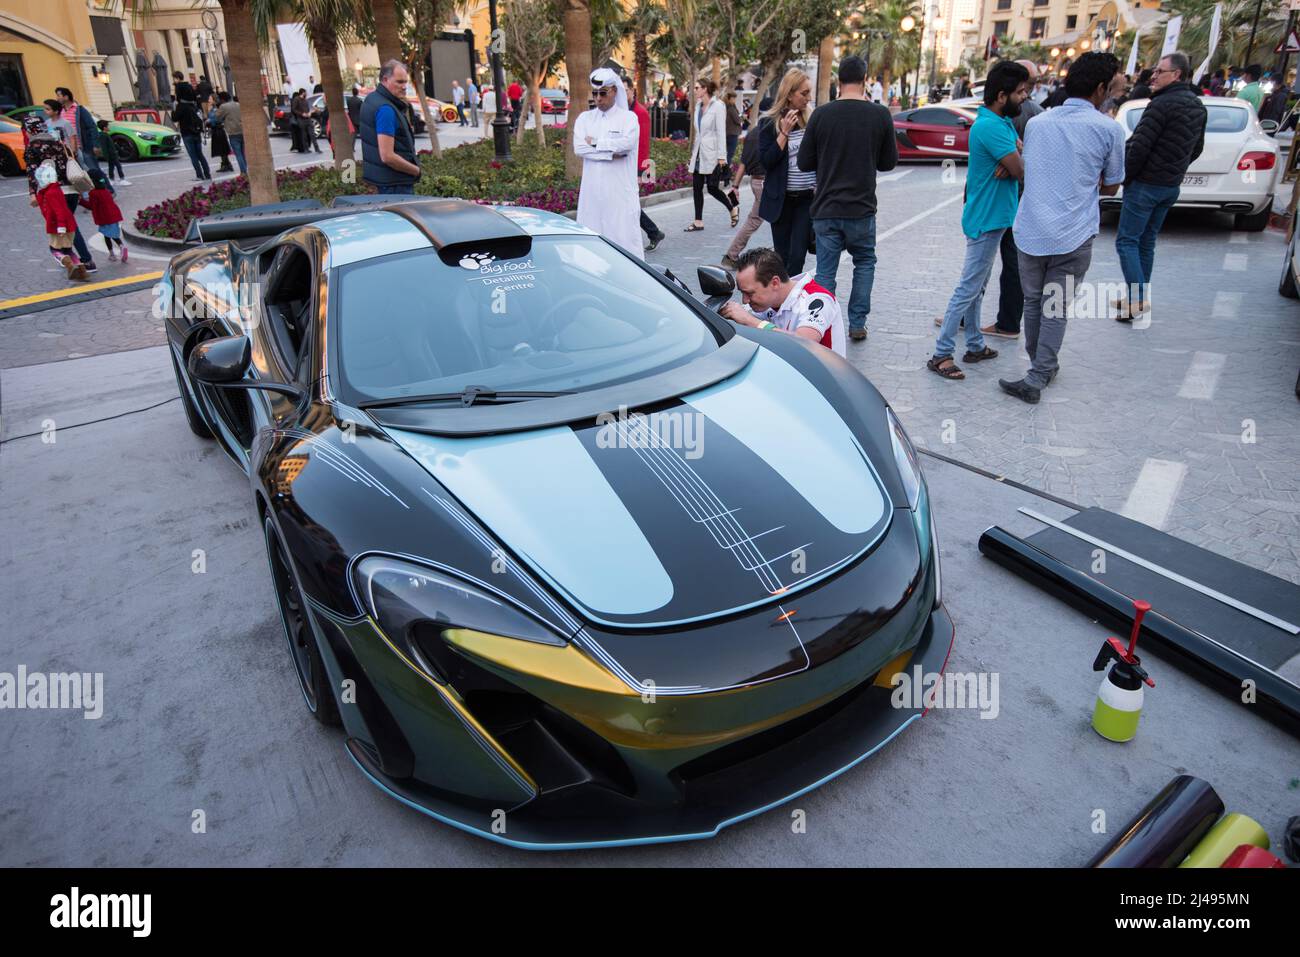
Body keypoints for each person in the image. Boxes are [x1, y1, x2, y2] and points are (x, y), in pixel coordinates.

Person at [1000, 51, 1126, 404]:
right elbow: (1113, 184)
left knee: (1034, 302)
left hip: (1031, 229)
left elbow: (1031, 169)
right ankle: (1041, 371)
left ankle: (1040, 365)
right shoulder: (1109, 129)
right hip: (1073, 233)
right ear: (1100, 88)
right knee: (1054, 305)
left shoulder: (1039, 123)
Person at [927, 60, 1028, 381]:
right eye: (1020, 91)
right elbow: (1021, 169)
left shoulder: (1002, 123)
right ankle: (942, 353)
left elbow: (1017, 158)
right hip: (986, 217)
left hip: (993, 216)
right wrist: (1012, 162)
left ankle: (974, 344)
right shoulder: (992, 127)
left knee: (977, 287)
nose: (1025, 97)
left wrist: (1013, 158)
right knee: (969, 287)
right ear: (1002, 95)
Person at [794, 56, 896, 343]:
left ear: (839, 81)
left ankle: (822, 324)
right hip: (862, 208)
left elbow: (804, 162)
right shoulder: (880, 115)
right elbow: (888, 163)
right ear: (865, 80)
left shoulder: (822, 115)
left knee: (826, 271)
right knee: (864, 262)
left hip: (826, 207)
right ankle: (857, 324)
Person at [1113, 51, 1206, 320]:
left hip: (1146, 184)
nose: (1153, 76)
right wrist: (1175, 168)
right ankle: (1137, 297)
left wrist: (1127, 176)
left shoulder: (1160, 105)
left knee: (1128, 242)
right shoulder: (1197, 106)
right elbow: (1196, 148)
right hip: (1169, 186)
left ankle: (1136, 301)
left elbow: (1140, 146)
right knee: (1146, 242)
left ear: (1176, 74)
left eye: (1159, 71)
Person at [984, 60, 1044, 341]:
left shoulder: (1016, 114)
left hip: (1008, 199)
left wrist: (1014, 161)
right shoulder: (1033, 113)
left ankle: (1000, 322)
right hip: (1014, 198)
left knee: (986, 261)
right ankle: (1006, 322)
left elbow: (1021, 165)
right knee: (1008, 262)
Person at [719, 247, 846, 357]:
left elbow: (805, 343)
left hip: (823, 382)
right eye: (742, 293)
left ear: (775, 283)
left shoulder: (817, 299)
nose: (745, 301)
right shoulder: (768, 302)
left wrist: (750, 321)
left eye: (750, 293)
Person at [573, 68, 642, 258]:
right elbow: (579, 148)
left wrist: (596, 143)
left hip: (620, 194)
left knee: (624, 244)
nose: (598, 98)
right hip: (592, 195)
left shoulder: (628, 118)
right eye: (594, 93)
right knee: (591, 248)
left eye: (602, 93)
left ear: (614, 91)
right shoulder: (584, 119)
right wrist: (610, 154)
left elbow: (626, 145)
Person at [22, 113, 97, 275]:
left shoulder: (33, 147)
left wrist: (32, 194)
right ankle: (85, 260)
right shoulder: (57, 141)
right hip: (71, 190)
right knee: (70, 224)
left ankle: (66, 256)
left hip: (52, 193)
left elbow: (32, 173)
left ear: (29, 129)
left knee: (58, 227)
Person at [759, 68, 815, 275]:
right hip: (781, 201)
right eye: (804, 93)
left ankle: (791, 300)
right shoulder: (768, 122)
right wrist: (784, 132)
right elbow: (767, 161)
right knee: (782, 257)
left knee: (798, 256)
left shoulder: (812, 121)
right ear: (789, 94)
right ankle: (783, 303)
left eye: (809, 93)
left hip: (806, 200)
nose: (808, 98)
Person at [722, 96, 771, 270]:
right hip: (766, 183)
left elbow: (743, 163)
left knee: (755, 220)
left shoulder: (753, 133)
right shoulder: (772, 132)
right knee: (755, 220)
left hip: (755, 182)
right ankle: (731, 255)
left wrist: (735, 186)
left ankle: (732, 255)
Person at [360, 60, 422, 194]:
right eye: (399, 82)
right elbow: (387, 156)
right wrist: (416, 170)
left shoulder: (373, 99)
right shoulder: (386, 109)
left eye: (406, 82)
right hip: (394, 185)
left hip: (384, 181)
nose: (404, 86)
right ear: (385, 80)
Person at [683, 78, 737, 232]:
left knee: (712, 188)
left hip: (712, 154)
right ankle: (698, 221)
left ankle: (732, 208)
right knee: (697, 187)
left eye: (697, 87)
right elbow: (698, 134)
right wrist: (693, 154)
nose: (695, 90)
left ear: (705, 89)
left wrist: (722, 157)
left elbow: (721, 132)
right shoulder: (698, 107)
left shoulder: (718, 106)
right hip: (699, 153)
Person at [626, 79, 665, 251]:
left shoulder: (640, 112)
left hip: (635, 166)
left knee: (629, 204)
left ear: (632, 91)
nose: (622, 93)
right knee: (628, 203)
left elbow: (643, 144)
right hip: (623, 165)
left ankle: (653, 232)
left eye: (625, 90)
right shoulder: (622, 111)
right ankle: (653, 232)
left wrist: (641, 171)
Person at [34, 160, 87, 281]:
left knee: (54, 249)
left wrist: (61, 226)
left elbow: (58, 211)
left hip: (58, 225)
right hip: (69, 224)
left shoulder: (49, 193)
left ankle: (67, 262)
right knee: (68, 249)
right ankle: (82, 271)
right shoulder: (56, 189)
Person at [80, 169, 127, 263]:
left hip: (105, 218)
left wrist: (80, 201)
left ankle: (114, 252)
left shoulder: (93, 193)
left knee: (107, 235)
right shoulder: (106, 191)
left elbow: (91, 206)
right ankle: (119, 248)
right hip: (114, 216)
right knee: (111, 234)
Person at [172, 94, 211, 181]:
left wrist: (173, 108)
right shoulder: (195, 106)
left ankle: (199, 175)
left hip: (187, 134)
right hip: (197, 133)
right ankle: (207, 174)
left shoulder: (181, 107)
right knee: (200, 155)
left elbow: (174, 118)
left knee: (193, 156)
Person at [216, 92, 246, 174]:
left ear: (222, 99)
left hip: (233, 132)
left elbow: (217, 118)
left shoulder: (223, 107)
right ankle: (245, 170)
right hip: (242, 130)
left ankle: (243, 172)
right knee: (243, 153)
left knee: (238, 154)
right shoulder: (238, 104)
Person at [95, 119, 130, 186]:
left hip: (113, 154)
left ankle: (112, 179)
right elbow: (104, 147)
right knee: (118, 166)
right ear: (105, 128)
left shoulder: (106, 134)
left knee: (111, 167)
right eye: (108, 126)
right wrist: (107, 156)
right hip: (111, 155)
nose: (109, 127)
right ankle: (122, 179)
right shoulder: (103, 135)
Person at [208, 98, 234, 173]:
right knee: (221, 149)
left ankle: (226, 164)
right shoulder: (213, 109)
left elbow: (217, 119)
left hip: (218, 130)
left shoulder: (217, 110)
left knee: (222, 149)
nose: (208, 100)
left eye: (210, 99)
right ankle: (226, 164)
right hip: (216, 130)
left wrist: (210, 121)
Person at [723, 90, 742, 167]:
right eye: (733, 99)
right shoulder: (731, 108)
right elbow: (737, 120)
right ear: (729, 99)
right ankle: (726, 171)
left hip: (727, 133)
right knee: (730, 153)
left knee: (726, 153)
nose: (734, 100)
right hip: (732, 134)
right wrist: (742, 118)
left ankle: (723, 170)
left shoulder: (725, 107)